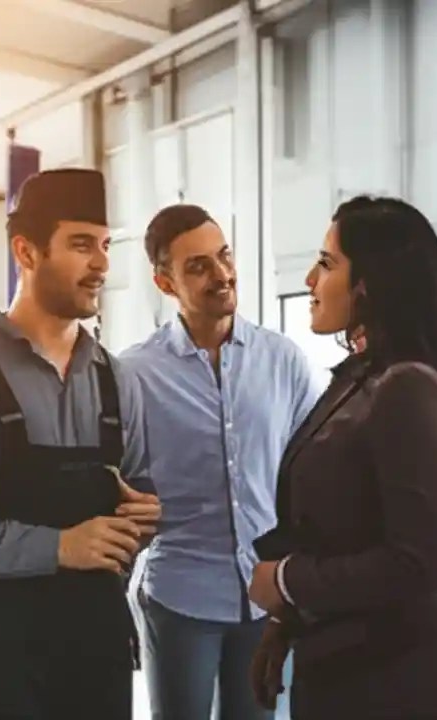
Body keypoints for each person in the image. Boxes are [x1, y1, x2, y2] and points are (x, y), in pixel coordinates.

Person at [0, 168, 162, 720]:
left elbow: (139, 498)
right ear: (26, 251)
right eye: (82, 245)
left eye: (107, 246)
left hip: (99, 665)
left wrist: (144, 518)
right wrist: (61, 547)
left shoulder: (119, 381)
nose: (102, 265)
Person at [246, 195, 437, 719]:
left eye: (326, 264)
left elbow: (414, 563)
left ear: (368, 285)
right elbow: (339, 529)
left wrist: (287, 580)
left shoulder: (407, 387)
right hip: (340, 676)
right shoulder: (357, 378)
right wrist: (283, 624)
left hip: (395, 690)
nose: (311, 282)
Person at [119, 204, 322, 720]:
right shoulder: (136, 375)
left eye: (224, 256)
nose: (222, 274)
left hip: (266, 597)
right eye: (198, 266)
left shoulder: (283, 360)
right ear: (165, 283)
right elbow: (116, 489)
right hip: (181, 595)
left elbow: (310, 473)